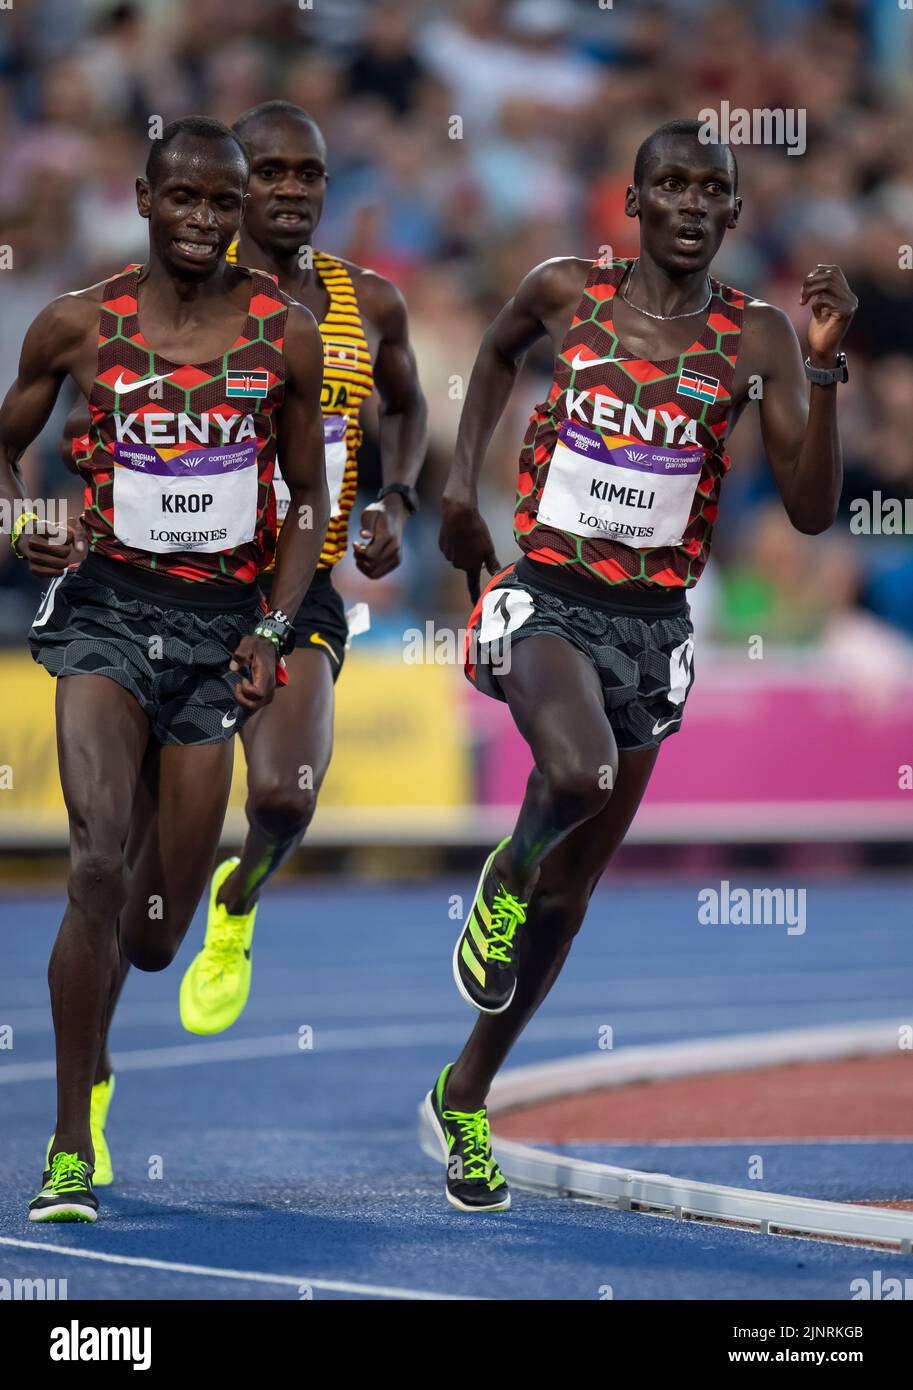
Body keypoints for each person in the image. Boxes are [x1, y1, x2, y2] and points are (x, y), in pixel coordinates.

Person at [425, 118, 857, 1212]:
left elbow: (810, 513)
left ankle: (465, 1091)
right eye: (671, 183)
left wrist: (820, 362)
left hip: (652, 630)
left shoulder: (753, 337)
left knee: (574, 897)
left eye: (713, 188)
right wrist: (455, 488)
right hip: (546, 597)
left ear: (733, 212)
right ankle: (504, 872)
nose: (692, 202)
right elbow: (492, 352)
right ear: (634, 198)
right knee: (573, 776)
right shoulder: (567, 289)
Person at [0, 115, 329, 1222]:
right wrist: (26, 524)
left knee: (149, 934)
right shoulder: (77, 325)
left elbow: (308, 503)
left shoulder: (285, 333)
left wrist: (274, 633)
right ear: (144, 198)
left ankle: (126, 1002)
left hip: (216, 635)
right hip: (101, 615)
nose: (202, 222)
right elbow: (6, 444)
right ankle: (68, 1141)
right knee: (95, 862)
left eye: (221, 205)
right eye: (183, 200)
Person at [176, 100, 426, 1034]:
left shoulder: (369, 301)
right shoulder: (188, 299)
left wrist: (391, 498)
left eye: (308, 174)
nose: (290, 189)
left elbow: (403, 406)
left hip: (301, 582)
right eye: (270, 172)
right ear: (235, 189)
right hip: (183, 582)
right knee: (134, 864)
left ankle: (235, 906)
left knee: (284, 796)